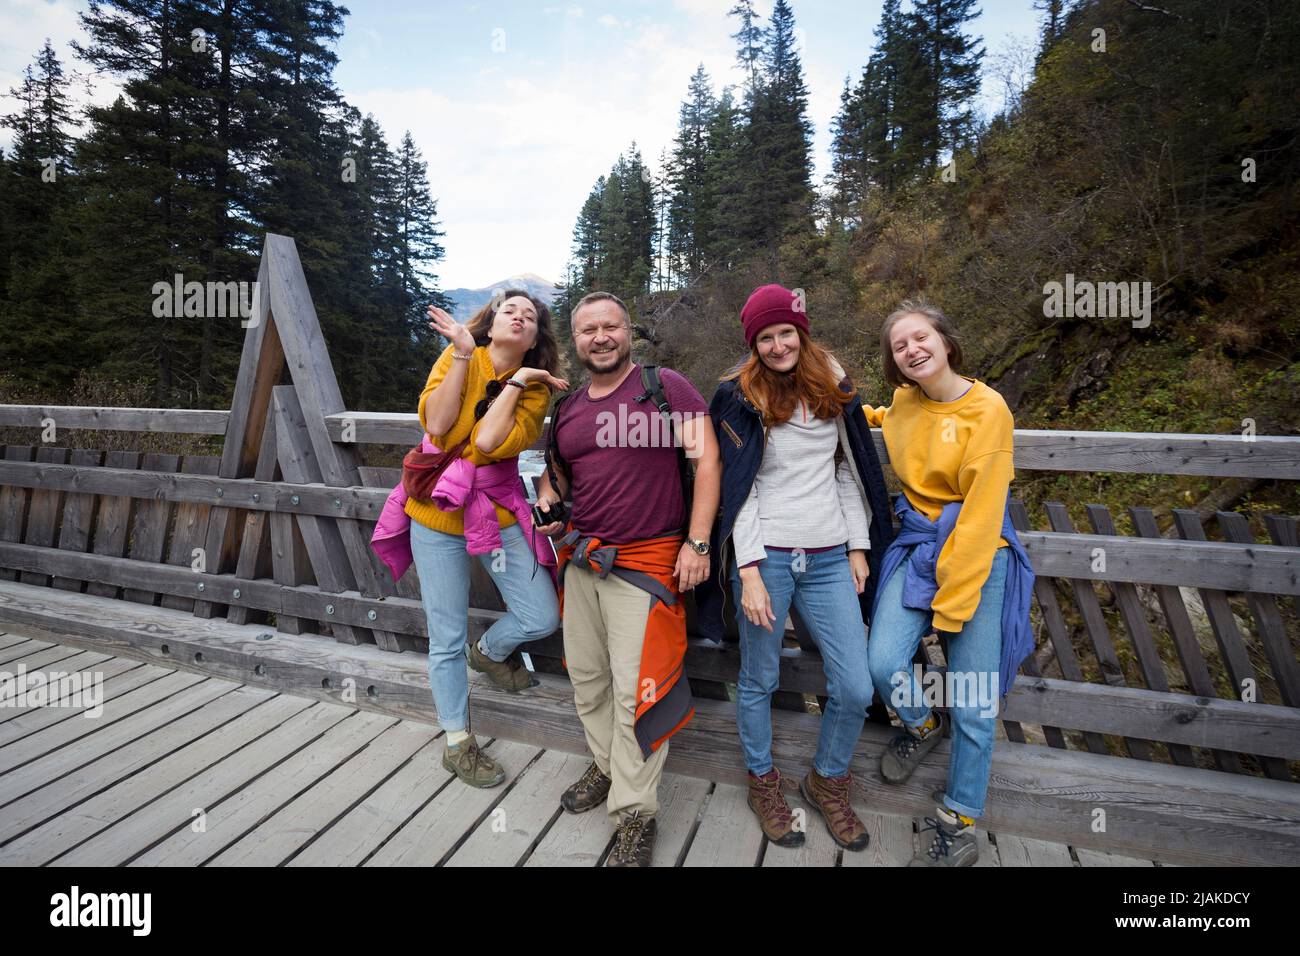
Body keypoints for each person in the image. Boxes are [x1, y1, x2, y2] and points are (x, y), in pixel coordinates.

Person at [700, 284, 895, 851]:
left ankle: (826, 779)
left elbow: (847, 471)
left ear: (801, 333)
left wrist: (858, 545)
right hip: (770, 556)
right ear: (753, 345)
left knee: (856, 685)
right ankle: (763, 781)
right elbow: (743, 491)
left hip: (831, 555)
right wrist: (752, 571)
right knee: (760, 677)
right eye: (766, 338)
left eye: (786, 332)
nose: (778, 344)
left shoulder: (832, 385)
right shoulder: (738, 397)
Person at [534, 291, 721, 867]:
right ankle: (611, 766)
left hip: (647, 561)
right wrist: (546, 498)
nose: (600, 337)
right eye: (587, 329)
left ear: (627, 331)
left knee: (634, 691)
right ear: (576, 340)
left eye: (609, 325)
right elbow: (557, 475)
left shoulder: (664, 387)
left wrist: (697, 542)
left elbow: (707, 461)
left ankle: (635, 812)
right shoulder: (567, 409)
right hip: (582, 561)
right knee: (587, 678)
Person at [863, 299, 1035, 866]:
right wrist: (836, 406)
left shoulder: (989, 411)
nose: (912, 350)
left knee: (976, 701)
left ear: (945, 341)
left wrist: (954, 606)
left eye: (920, 338)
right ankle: (922, 721)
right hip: (918, 548)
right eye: (899, 346)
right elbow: (884, 421)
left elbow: (983, 516)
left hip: (979, 558)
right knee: (885, 662)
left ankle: (957, 825)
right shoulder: (906, 405)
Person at [374, 291, 568, 790]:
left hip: (496, 512)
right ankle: (457, 741)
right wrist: (461, 354)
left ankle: (488, 652)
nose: (520, 317)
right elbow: (436, 427)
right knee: (445, 635)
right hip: (436, 516)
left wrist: (519, 381)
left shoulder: (536, 390)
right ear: (493, 320)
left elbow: (488, 443)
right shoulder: (461, 354)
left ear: (535, 339)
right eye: (511, 310)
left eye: (530, 316)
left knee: (540, 616)